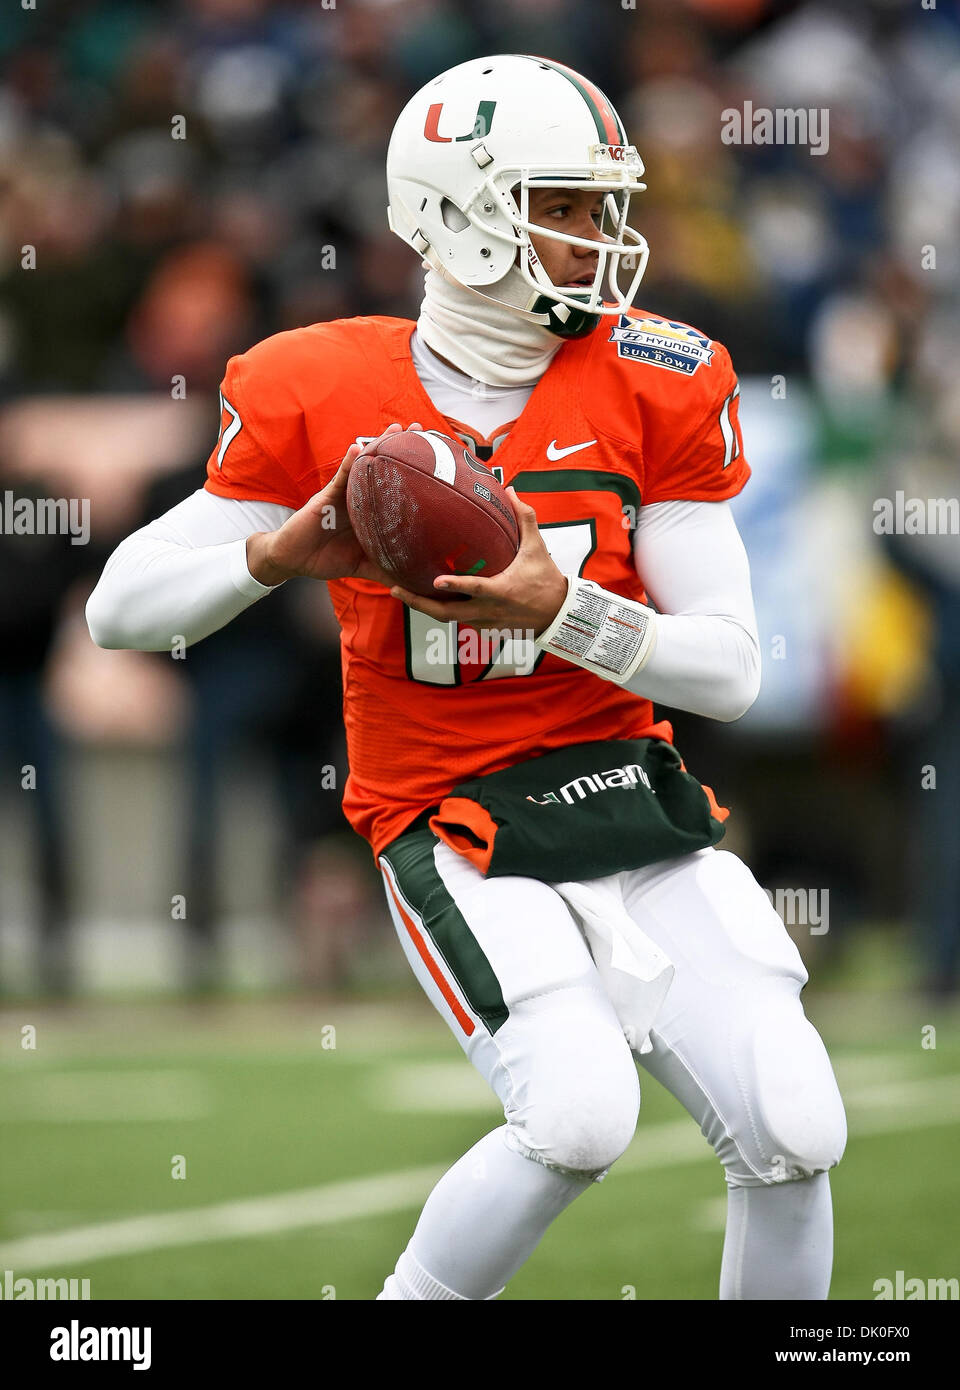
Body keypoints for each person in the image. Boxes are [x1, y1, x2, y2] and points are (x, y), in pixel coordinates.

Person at [86, 54, 846, 1300]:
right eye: (566, 205)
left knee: (797, 1120)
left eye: (607, 206)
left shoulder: (659, 373)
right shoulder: (319, 382)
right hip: (454, 820)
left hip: (628, 796)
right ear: (458, 214)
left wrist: (570, 613)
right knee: (579, 1114)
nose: (601, 236)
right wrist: (271, 555)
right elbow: (119, 607)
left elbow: (733, 671)